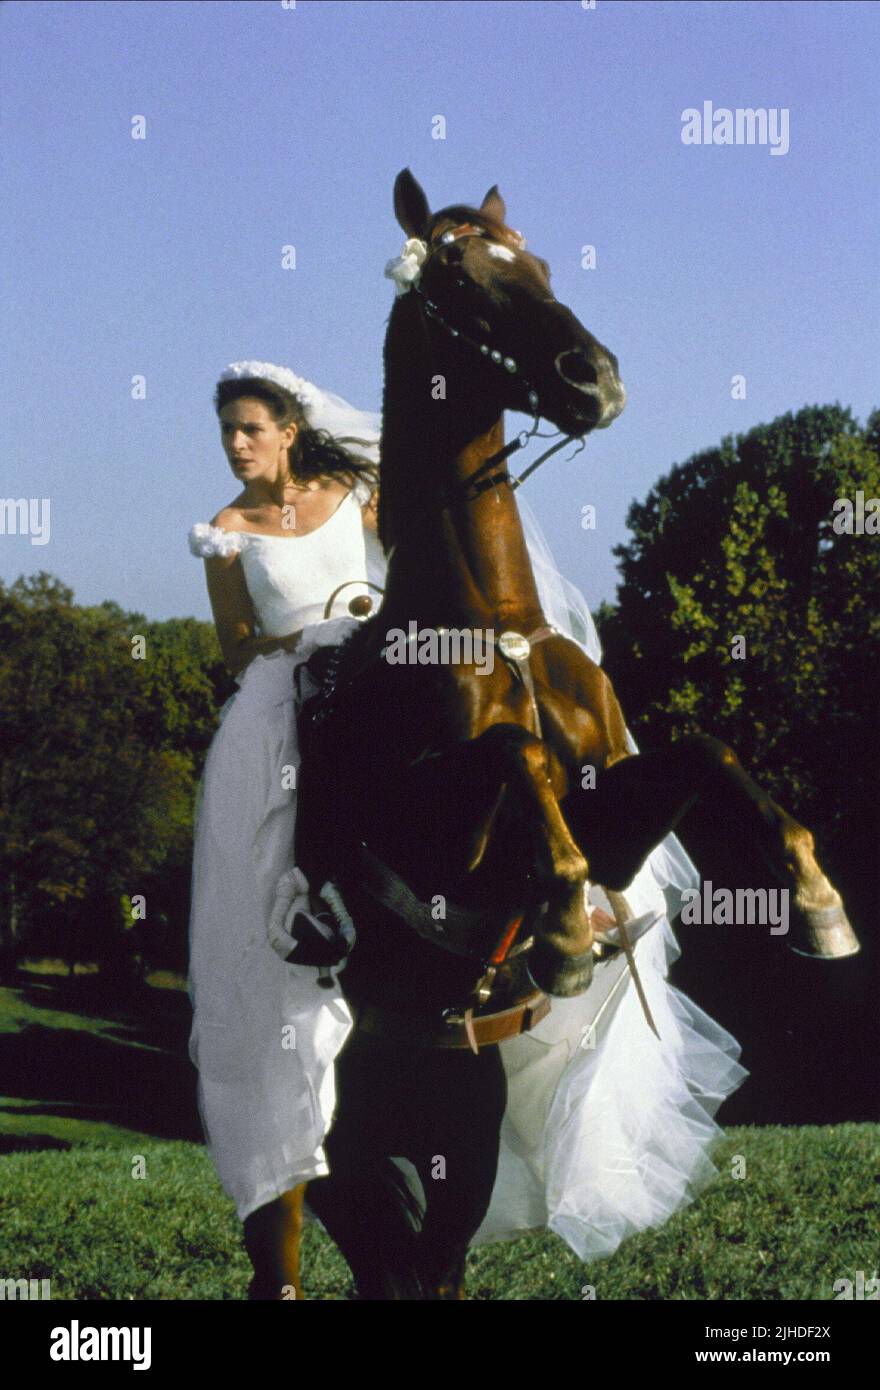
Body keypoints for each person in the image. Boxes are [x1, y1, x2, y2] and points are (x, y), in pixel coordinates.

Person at [187, 360, 748, 1299]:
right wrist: (306, 637)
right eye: (228, 434)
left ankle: (577, 889)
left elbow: (411, 553)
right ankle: (305, 910)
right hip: (290, 681)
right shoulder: (227, 531)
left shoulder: (346, 495)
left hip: (379, 648)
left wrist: (386, 616)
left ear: (290, 431)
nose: (238, 447)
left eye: (251, 430)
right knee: (289, 771)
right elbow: (235, 645)